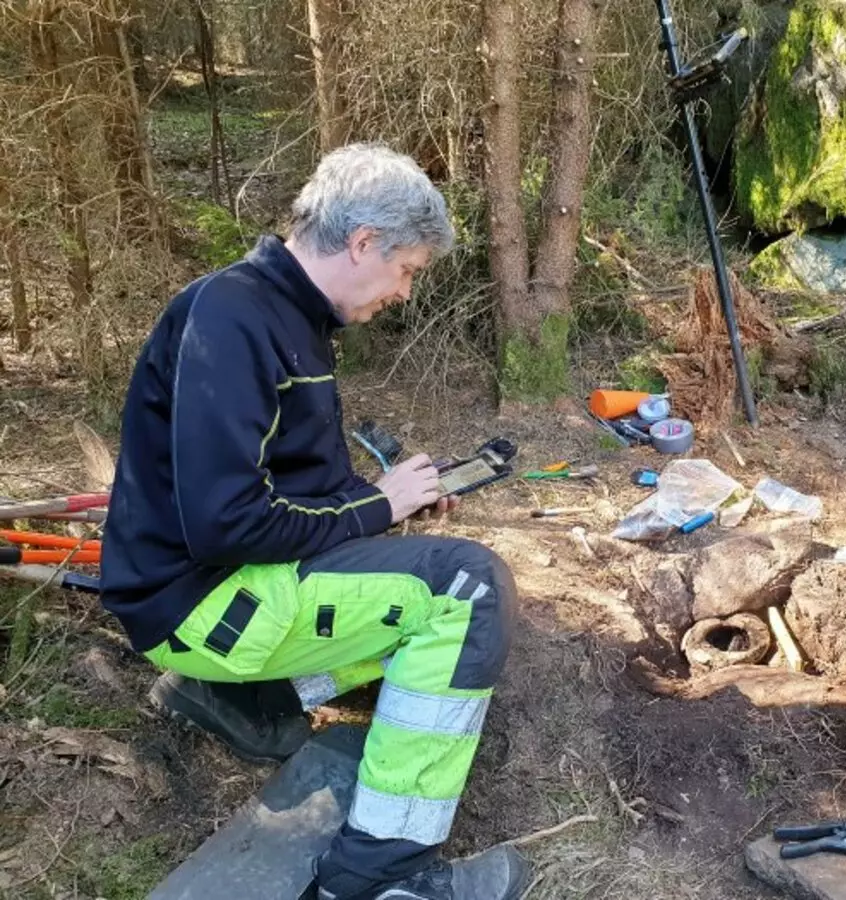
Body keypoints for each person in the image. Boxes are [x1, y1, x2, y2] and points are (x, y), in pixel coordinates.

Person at [99, 144, 530, 900]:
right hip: (204, 601)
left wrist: (390, 506)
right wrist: (378, 505)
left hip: (223, 592)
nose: (404, 292)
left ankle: (248, 698)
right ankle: (379, 875)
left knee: (422, 569)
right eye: (408, 270)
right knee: (470, 591)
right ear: (364, 242)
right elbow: (225, 523)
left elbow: (302, 487)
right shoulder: (231, 318)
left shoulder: (290, 320)